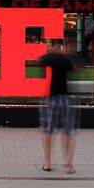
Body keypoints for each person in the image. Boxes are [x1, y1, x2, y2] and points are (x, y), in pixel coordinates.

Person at [37, 38, 80, 174]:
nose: (48, 46)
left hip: (51, 99)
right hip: (65, 99)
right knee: (67, 131)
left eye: (49, 44)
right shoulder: (65, 59)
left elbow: (37, 62)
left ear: (54, 45)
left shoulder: (48, 58)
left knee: (47, 131)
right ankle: (68, 162)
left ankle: (48, 163)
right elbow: (75, 70)